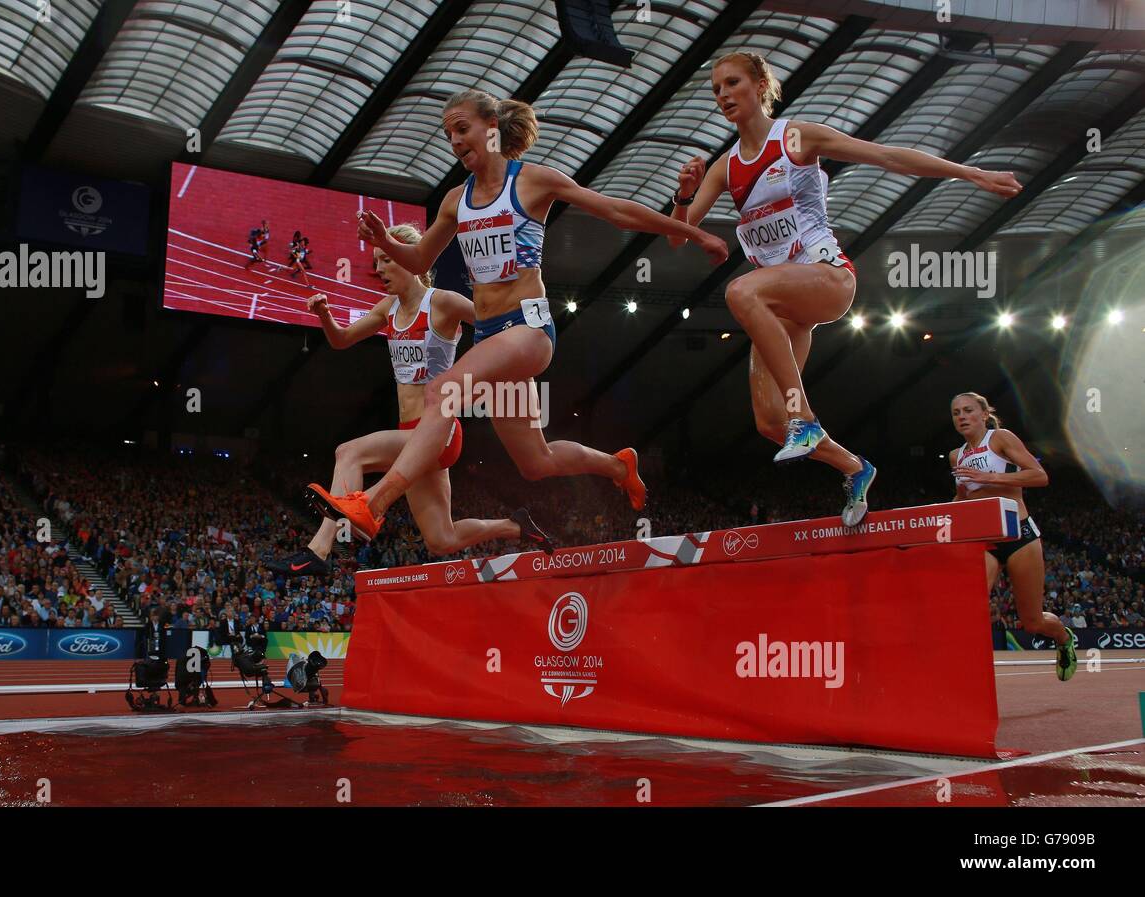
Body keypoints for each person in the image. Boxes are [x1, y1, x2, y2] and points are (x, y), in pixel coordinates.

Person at [308, 88, 729, 540]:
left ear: (492, 129)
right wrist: (386, 242)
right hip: (490, 339)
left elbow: (616, 211)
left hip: (528, 330)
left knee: (443, 391)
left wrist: (692, 232)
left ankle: (375, 502)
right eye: (448, 134)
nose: (454, 142)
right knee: (536, 462)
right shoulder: (456, 200)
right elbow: (419, 260)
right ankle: (617, 465)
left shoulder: (531, 181)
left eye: (462, 129)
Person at [669, 51, 1022, 526]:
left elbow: (886, 155)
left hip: (827, 277)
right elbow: (677, 236)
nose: (723, 95)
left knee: (740, 292)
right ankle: (854, 467)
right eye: (716, 90)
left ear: (759, 85)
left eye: (732, 83)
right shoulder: (724, 167)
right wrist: (683, 196)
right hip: (784, 307)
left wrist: (971, 173)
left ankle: (806, 419)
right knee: (768, 423)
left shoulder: (795, 137)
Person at [284, 223, 552, 573]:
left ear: (409, 260)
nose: (378, 269)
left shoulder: (444, 302)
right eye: (376, 262)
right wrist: (324, 314)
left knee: (348, 452)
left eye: (386, 259)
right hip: (410, 436)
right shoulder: (387, 309)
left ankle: (319, 549)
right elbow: (342, 340)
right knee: (440, 539)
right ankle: (515, 526)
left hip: (439, 432)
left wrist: (516, 362)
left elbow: (497, 328)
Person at [949, 391, 1075, 680]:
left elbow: (1039, 475)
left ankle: (1063, 638)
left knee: (1032, 621)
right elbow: (963, 496)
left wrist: (990, 478)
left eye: (968, 410)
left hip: (1019, 535)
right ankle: (965, 673)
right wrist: (936, 513)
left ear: (983, 414)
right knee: (968, 602)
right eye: (956, 413)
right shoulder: (957, 456)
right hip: (986, 540)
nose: (962, 417)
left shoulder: (1001, 439)